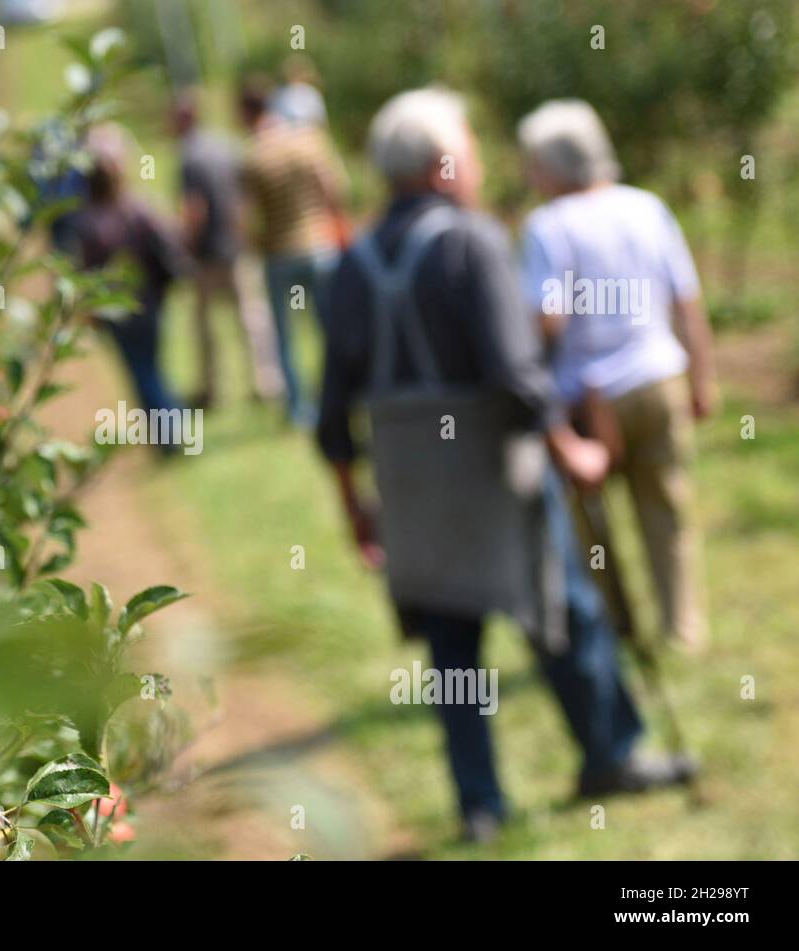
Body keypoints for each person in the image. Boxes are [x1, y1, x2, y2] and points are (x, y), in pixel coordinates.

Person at [316, 87, 696, 842]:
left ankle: (479, 804)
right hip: (494, 471)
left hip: (411, 486)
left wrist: (353, 504)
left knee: (453, 646)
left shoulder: (351, 265)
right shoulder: (473, 242)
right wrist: (574, 451)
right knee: (563, 613)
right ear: (443, 164)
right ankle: (611, 754)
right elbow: (518, 381)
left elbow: (331, 413)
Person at [518, 99, 715, 653]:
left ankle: (616, 627)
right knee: (667, 507)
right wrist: (703, 378)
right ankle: (683, 629)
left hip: (588, 397)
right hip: (657, 380)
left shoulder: (546, 228)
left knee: (591, 526)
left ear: (552, 166)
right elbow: (686, 300)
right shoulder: (647, 207)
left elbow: (546, 319)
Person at [237, 75, 346, 424]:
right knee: (329, 327)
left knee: (284, 336)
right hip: (319, 248)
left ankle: (300, 410)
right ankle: (340, 395)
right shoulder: (308, 143)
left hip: (279, 255)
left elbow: (245, 219)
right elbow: (334, 189)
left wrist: (258, 243)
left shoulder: (253, 156)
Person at [70, 125, 187, 442]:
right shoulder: (140, 207)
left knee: (143, 373)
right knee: (152, 369)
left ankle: (171, 436)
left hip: (119, 314)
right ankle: (171, 431)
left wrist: (91, 313)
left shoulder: (86, 222)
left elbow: (85, 273)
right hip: (149, 304)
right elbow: (169, 253)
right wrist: (165, 288)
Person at [170, 91, 283, 407]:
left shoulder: (189, 156)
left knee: (204, 327)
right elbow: (243, 199)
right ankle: (266, 383)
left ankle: (210, 389)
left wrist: (185, 247)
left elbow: (195, 209)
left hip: (207, 254)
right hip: (236, 246)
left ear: (183, 119)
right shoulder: (227, 147)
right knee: (252, 319)